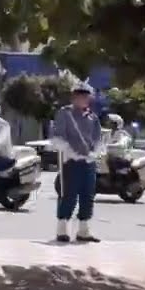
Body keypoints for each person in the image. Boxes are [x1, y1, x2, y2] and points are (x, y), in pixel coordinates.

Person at [51, 83, 103, 244]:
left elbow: (98, 139)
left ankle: (83, 230)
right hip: (71, 160)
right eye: (79, 96)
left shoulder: (92, 117)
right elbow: (58, 136)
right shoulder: (65, 114)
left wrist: (95, 153)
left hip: (88, 161)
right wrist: (71, 152)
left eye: (86, 96)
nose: (83, 99)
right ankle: (62, 229)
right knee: (68, 194)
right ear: (73, 97)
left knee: (88, 195)